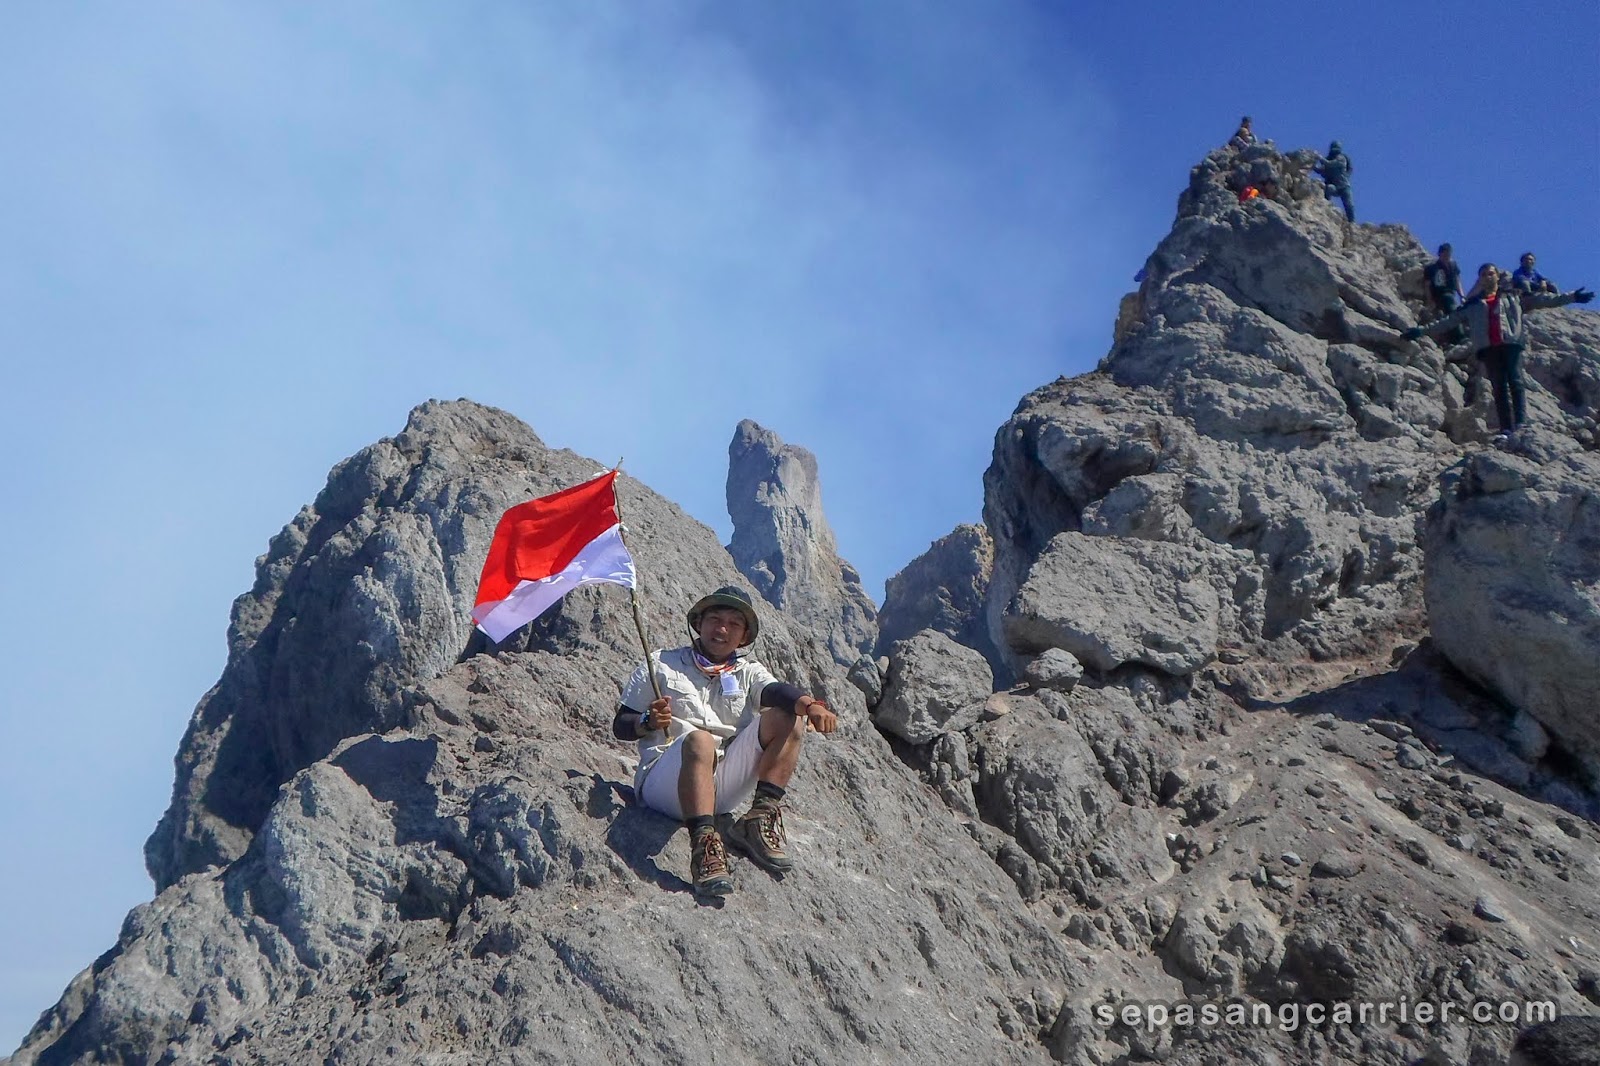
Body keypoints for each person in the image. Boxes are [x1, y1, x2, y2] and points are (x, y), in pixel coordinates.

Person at [614, 586, 838, 898]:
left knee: (788, 716)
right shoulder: (661, 664)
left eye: (734, 624)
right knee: (700, 741)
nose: (722, 629)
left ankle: (757, 819)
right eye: (715, 619)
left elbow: (776, 692)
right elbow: (621, 724)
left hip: (721, 787)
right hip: (664, 784)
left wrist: (810, 704)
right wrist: (646, 722)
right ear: (698, 623)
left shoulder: (748, 673)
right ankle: (705, 846)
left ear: (744, 636)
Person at [1404, 262, 1594, 435]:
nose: (1488, 277)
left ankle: (1520, 423)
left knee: (1516, 381)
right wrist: (1421, 331)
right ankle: (1505, 428)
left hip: (1511, 343)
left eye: (1491, 273)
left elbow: (1544, 300)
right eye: (1484, 274)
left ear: (1497, 277)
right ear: (1479, 279)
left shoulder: (1514, 296)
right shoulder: (1473, 305)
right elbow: (1448, 321)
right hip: (1488, 348)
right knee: (1499, 387)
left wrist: (1573, 297)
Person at [1313, 141, 1355, 221]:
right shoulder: (1329, 159)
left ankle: (1352, 222)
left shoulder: (1341, 158)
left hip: (1344, 186)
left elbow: (1330, 164)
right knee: (1329, 188)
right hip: (1335, 186)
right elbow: (1321, 170)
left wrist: (1320, 158)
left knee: (1349, 205)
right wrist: (1313, 165)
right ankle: (1326, 207)